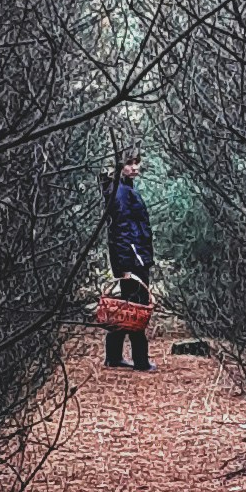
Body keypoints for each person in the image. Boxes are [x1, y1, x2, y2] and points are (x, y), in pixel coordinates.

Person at [102, 156, 154, 368]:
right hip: (132, 259)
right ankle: (140, 361)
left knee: (127, 305)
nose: (134, 167)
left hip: (135, 256)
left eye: (137, 162)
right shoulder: (121, 192)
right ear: (118, 166)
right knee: (135, 308)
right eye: (129, 163)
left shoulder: (125, 189)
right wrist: (125, 266)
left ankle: (114, 356)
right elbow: (120, 230)